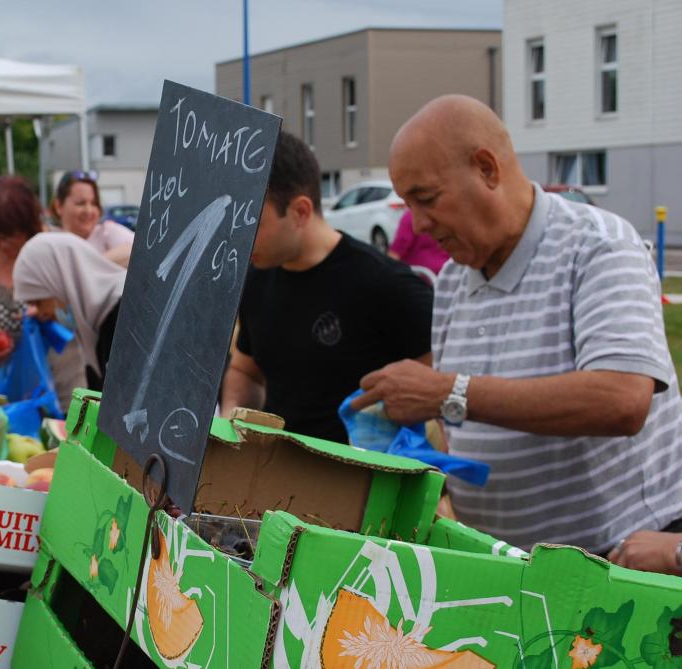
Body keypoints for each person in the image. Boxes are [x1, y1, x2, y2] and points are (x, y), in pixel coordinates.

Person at [351, 95, 682, 555]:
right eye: (408, 205)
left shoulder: (599, 246)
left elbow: (623, 397)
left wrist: (447, 393)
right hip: (515, 571)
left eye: (426, 199)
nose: (419, 224)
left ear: (487, 169)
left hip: (623, 562)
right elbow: (464, 423)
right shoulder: (451, 280)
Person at [220, 131, 433, 444]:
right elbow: (246, 371)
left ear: (300, 211)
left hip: (359, 483)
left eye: (252, 224)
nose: (238, 236)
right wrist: (230, 419)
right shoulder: (256, 279)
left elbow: (440, 386)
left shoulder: (388, 285)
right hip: (274, 480)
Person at [0, 177, 86, 408]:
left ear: (29, 227)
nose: (2, 244)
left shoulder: (58, 248)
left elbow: (85, 319)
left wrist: (52, 312)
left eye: (11, 235)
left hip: (61, 394)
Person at [14, 232, 125, 391]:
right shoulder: (97, 319)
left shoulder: (122, 317)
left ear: (62, 281)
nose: (42, 314)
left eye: (39, 302)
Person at [51, 171, 134, 267]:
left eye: (94, 203)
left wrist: (91, 267)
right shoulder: (48, 240)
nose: (89, 210)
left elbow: (140, 250)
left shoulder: (107, 232)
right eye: (80, 203)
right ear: (58, 206)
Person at [388, 209, 450, 276]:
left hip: (423, 275)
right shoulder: (440, 213)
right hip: (446, 268)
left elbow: (397, 251)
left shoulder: (410, 217)